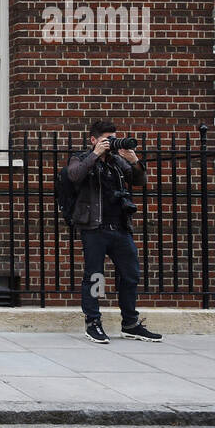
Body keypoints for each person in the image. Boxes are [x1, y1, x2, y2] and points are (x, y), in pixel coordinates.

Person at [65, 119, 163, 345]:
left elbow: (140, 181)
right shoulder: (80, 158)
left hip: (120, 228)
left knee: (130, 275)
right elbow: (75, 176)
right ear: (93, 139)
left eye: (113, 138)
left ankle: (130, 323)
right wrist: (95, 155)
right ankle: (93, 323)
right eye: (106, 139)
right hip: (94, 228)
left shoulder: (118, 162)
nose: (110, 143)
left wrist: (135, 161)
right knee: (96, 277)